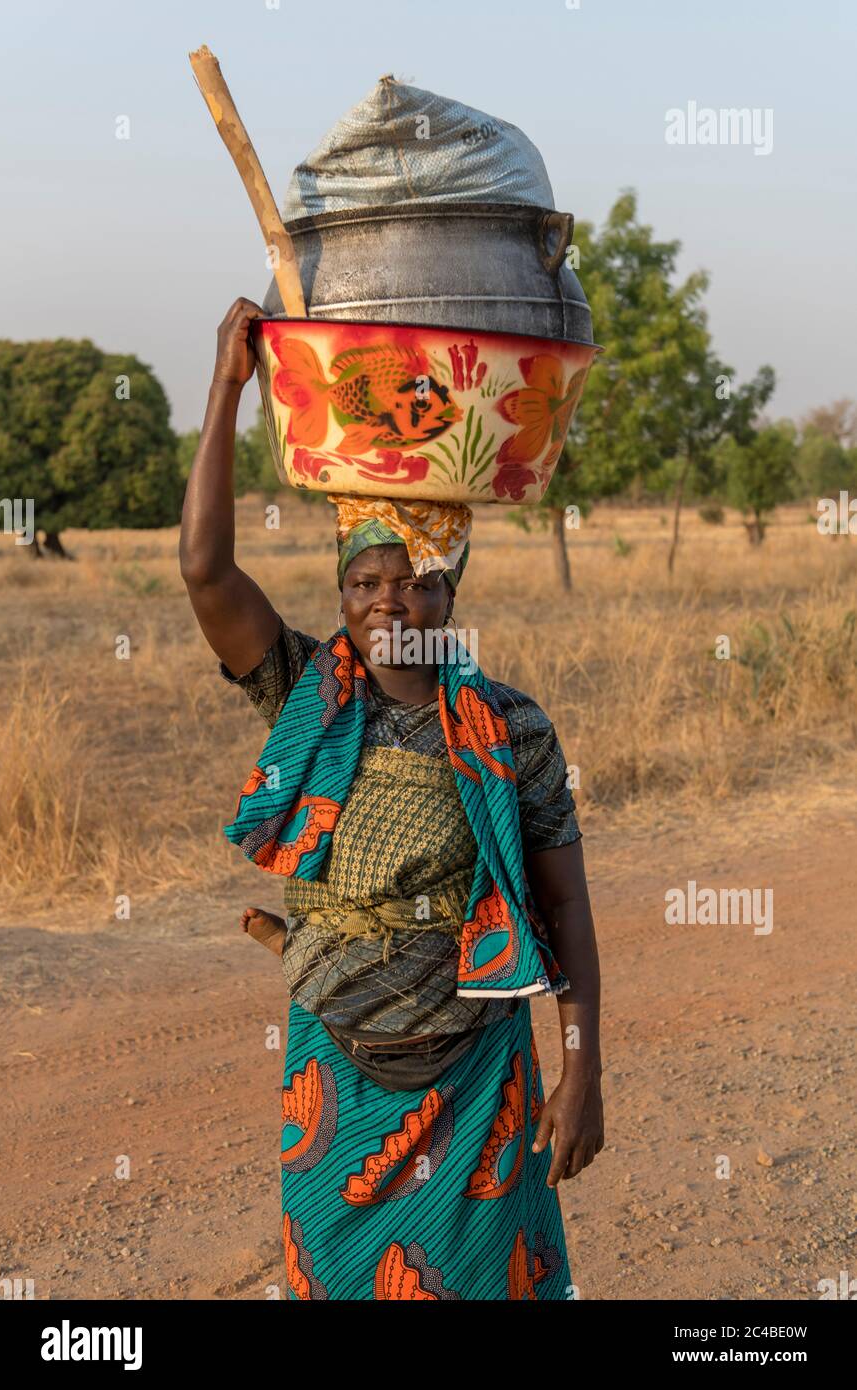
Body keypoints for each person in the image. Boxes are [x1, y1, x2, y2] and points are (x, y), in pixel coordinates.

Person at [180, 298, 605, 1301]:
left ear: (449, 595)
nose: (388, 602)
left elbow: (565, 906)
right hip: (334, 1065)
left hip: (475, 1072)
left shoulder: (511, 729)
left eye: (413, 582)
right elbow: (203, 567)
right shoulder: (305, 697)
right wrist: (226, 388)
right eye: (364, 582)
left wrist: (580, 1068)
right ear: (340, 595)